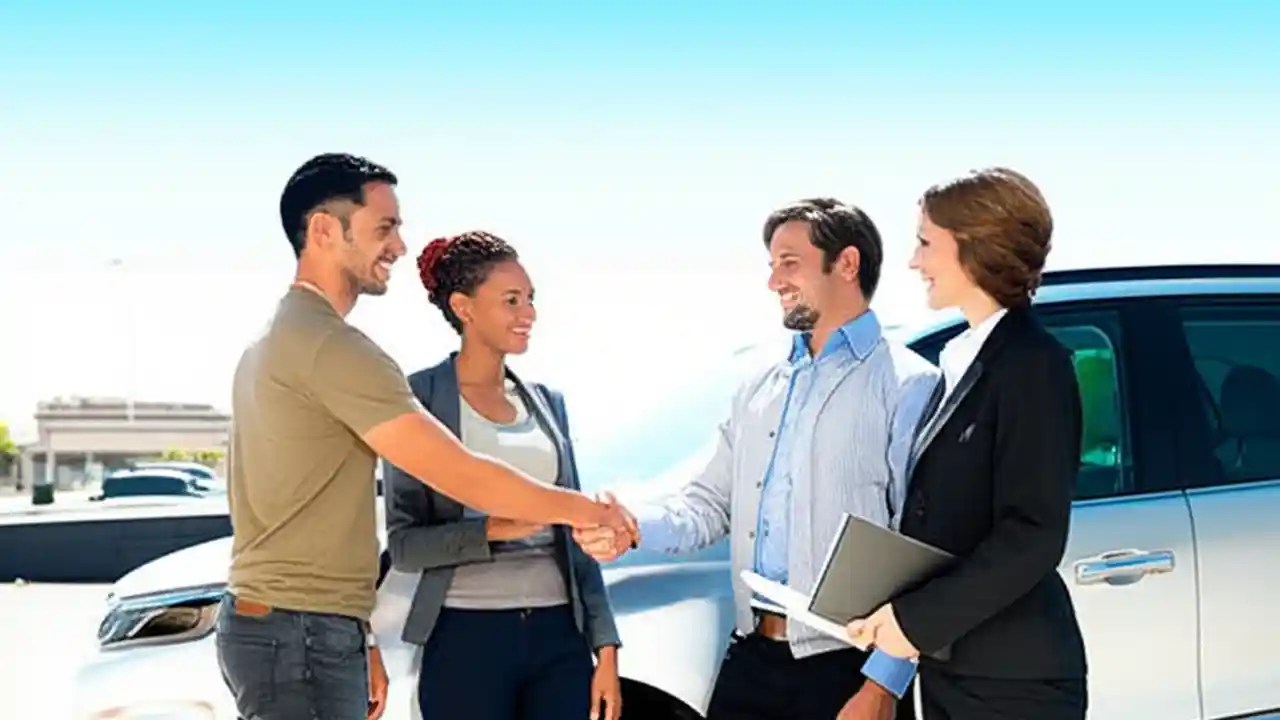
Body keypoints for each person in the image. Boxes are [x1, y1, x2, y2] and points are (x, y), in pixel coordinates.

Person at [216, 154, 627, 720]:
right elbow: (461, 474)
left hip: (304, 628)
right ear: (323, 230)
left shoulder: (281, 338)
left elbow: (307, 511)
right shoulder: (330, 348)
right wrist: (585, 511)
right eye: (384, 228)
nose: (400, 246)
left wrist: (359, 635)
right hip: (300, 635)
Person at [576, 198, 938, 720]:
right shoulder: (758, 386)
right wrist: (633, 526)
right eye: (771, 266)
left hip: (849, 669)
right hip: (751, 659)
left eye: (789, 263)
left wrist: (884, 683)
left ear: (847, 264)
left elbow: (916, 546)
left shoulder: (910, 384)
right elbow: (708, 504)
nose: (774, 282)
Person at [845, 167, 1089, 719]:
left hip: (1014, 682)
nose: (913, 261)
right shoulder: (960, 360)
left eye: (926, 242)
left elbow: (1033, 534)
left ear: (974, 246)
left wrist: (914, 623)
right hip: (957, 671)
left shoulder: (1033, 365)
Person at [383, 231, 623, 720]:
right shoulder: (418, 399)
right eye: (512, 300)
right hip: (466, 638)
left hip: (560, 637)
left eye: (530, 299)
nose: (528, 313)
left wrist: (606, 651)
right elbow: (406, 544)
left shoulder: (546, 403)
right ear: (463, 307)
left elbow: (576, 537)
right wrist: (491, 530)